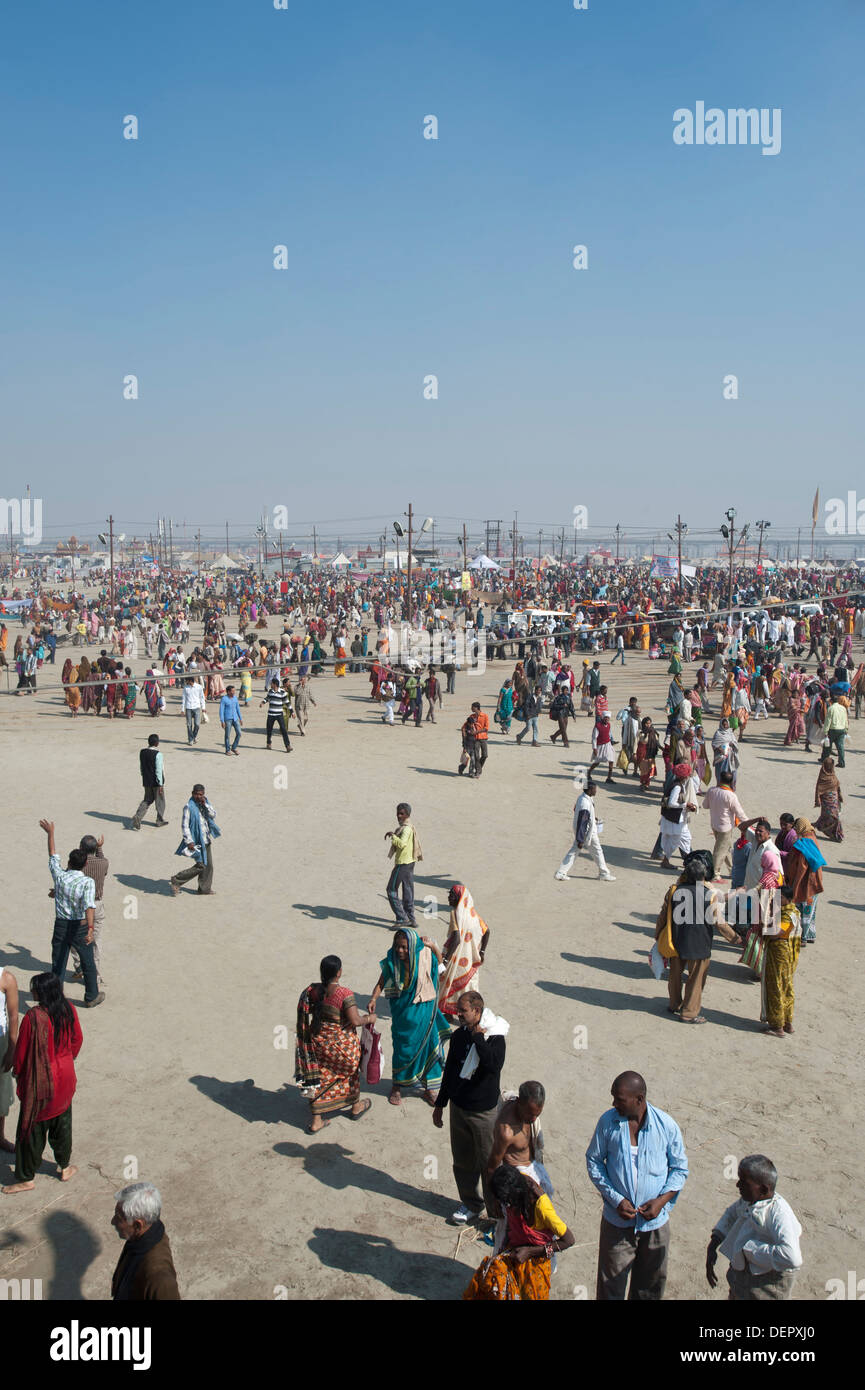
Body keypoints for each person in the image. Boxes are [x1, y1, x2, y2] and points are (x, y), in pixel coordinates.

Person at [586, 1071, 688, 1300]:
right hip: (617, 1224)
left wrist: (661, 1202)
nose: (614, 1104)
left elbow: (680, 1169)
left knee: (649, 1288)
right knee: (610, 1288)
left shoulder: (666, 1126)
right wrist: (616, 1200)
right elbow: (593, 1161)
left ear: (639, 1099)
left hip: (655, 1226)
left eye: (619, 1099)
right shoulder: (608, 1122)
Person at [1, 973, 83, 1195]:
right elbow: (77, 1040)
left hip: (41, 1084)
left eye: (35, 989)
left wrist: (19, 1073)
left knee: (31, 1131)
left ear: (42, 992)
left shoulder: (33, 1018)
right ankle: (65, 1167)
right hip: (65, 1079)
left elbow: (22, 1053)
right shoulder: (68, 1009)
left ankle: (26, 1178)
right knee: (62, 1125)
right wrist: (66, 1059)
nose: (33, 992)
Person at [432, 990, 506, 1224]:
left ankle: (497, 1215)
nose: (458, 1014)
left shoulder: (496, 1036)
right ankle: (471, 1203)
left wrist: (478, 1039)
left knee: (489, 1164)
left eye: (463, 1011)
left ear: (477, 1011)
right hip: (459, 1108)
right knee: (463, 1160)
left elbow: (493, 1066)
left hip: (483, 1112)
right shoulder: (459, 1037)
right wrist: (441, 1104)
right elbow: (451, 1072)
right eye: (458, 1009)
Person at [462, 1166, 574, 1300]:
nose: (505, 1207)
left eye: (506, 1203)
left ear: (515, 1197)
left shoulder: (542, 1207)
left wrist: (530, 1252)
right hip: (514, 1249)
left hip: (537, 1257)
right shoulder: (516, 1180)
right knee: (491, 1279)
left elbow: (569, 1240)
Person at [368, 927, 451, 1107]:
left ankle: (429, 1089)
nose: (400, 951)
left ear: (412, 947)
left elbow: (442, 968)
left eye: (404, 947)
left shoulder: (426, 958)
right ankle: (397, 1087)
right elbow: (381, 982)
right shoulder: (393, 962)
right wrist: (374, 998)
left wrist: (434, 947)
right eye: (398, 946)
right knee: (402, 1051)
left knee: (429, 1048)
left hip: (425, 1015)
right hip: (403, 1019)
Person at [295, 955, 374, 1133]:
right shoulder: (344, 994)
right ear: (339, 973)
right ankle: (355, 1107)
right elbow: (355, 1020)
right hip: (341, 1049)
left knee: (319, 1076)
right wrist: (370, 1018)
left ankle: (316, 1120)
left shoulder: (313, 991)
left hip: (319, 1044)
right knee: (351, 1070)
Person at [706, 1155, 803, 1300]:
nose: (737, 1185)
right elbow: (731, 1214)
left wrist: (751, 1249)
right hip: (741, 1286)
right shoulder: (750, 1201)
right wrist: (713, 1244)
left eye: (743, 1182)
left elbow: (792, 1257)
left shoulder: (779, 1214)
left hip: (766, 1291)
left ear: (763, 1189)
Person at [657, 857, 739, 1023]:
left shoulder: (673, 890)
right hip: (699, 942)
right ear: (703, 877)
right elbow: (719, 922)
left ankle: (674, 1004)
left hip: (676, 939)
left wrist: (658, 935)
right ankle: (689, 1012)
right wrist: (735, 938)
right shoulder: (709, 895)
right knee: (695, 979)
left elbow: (662, 915)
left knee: (674, 975)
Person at [40, 819, 104, 1008]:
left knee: (58, 963)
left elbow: (52, 855)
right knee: (88, 962)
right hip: (80, 926)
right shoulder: (87, 882)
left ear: (69, 862)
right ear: (85, 864)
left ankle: (54, 999)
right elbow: (89, 906)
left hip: (61, 925)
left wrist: (50, 833)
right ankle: (91, 996)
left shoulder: (59, 877)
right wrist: (91, 929)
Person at [111, 1181, 181, 1300]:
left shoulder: (159, 1280)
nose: (113, 1221)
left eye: (118, 1218)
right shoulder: (144, 1235)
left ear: (138, 1225)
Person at [438, 884, 491, 1020]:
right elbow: (487, 931)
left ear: (460, 898)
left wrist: (444, 961)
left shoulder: (456, 914)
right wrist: (482, 952)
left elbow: (456, 939)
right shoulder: (472, 913)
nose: (449, 898)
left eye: (452, 895)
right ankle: (466, 1016)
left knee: (448, 983)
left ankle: (450, 1012)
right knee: (468, 987)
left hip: (456, 957)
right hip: (470, 960)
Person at [69, 834, 109, 991]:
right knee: (96, 941)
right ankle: (96, 974)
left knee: (73, 937)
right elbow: (102, 861)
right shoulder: (103, 863)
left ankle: (79, 966)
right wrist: (100, 848)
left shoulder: (77, 865)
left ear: (81, 848)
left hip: (80, 907)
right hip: (97, 905)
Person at [555, 780, 615, 882]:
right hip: (586, 832)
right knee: (596, 851)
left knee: (577, 851)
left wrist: (592, 817)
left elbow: (578, 811)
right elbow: (582, 822)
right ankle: (604, 873)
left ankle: (561, 872)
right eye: (595, 789)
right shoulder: (585, 803)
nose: (596, 791)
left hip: (584, 831)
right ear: (590, 790)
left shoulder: (583, 798)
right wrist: (580, 838)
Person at [170, 785, 220, 896]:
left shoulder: (205, 804)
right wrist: (189, 841)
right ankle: (177, 880)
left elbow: (213, 815)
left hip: (206, 839)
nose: (199, 796)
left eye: (201, 794)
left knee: (209, 866)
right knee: (201, 865)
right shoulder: (188, 807)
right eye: (197, 794)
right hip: (196, 841)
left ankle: (204, 889)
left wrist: (205, 805)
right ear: (192, 793)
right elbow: (185, 825)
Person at [702, 772, 747, 881]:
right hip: (725, 827)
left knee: (725, 848)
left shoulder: (712, 791)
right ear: (731, 782)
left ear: (720, 779)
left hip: (715, 824)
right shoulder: (730, 795)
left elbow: (705, 805)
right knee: (720, 851)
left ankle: (733, 870)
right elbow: (739, 812)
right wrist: (748, 822)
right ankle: (714, 873)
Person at [384, 802, 420, 925]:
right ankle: (411, 918)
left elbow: (402, 844)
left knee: (391, 890)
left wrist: (393, 836)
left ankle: (401, 918)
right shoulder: (410, 827)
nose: (399, 816)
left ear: (407, 815)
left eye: (402, 814)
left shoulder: (406, 829)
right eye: (398, 813)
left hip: (403, 864)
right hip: (410, 862)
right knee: (408, 890)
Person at [658, 763, 698, 869]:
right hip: (675, 819)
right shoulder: (677, 787)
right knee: (674, 841)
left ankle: (688, 861)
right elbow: (671, 803)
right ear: (684, 776)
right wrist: (686, 805)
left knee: (685, 839)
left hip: (675, 818)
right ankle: (667, 861)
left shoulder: (676, 783)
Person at [0, 964, 20, 1153]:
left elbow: (13, 1016)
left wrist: (12, 1049)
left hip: (1, 1042)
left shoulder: (7, 979)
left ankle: (0, 1137)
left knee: (2, 1092)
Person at [132, 733, 168, 830]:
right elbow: (159, 770)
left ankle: (138, 816)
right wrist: (160, 784)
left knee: (147, 799)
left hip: (146, 780)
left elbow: (141, 766)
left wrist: (143, 776)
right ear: (157, 743)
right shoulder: (158, 754)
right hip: (156, 782)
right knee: (160, 801)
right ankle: (159, 820)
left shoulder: (142, 752)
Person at [814, 757, 843, 841]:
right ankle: (832, 833)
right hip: (826, 802)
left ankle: (836, 835)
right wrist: (817, 800)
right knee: (830, 817)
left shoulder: (833, 774)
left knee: (834, 818)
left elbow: (837, 786)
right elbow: (818, 789)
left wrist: (840, 796)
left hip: (834, 801)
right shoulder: (822, 776)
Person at [261, 677, 292, 751]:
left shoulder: (282, 692)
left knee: (283, 730)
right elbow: (267, 698)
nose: (270, 684)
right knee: (269, 730)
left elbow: (287, 703)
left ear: (275, 684)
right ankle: (269, 743)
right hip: (271, 714)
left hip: (279, 714)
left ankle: (288, 746)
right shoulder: (270, 691)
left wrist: (292, 712)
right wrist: (263, 702)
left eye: (271, 683)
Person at [824, 693, 848, 767]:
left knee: (828, 747)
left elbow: (828, 720)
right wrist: (846, 728)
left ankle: (827, 762)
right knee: (840, 747)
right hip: (841, 729)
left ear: (831, 701)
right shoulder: (843, 708)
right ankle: (842, 763)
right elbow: (845, 719)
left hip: (832, 729)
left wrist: (825, 731)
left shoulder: (830, 708)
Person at [549, 684, 576, 748]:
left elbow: (571, 707)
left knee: (563, 729)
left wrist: (573, 715)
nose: (566, 691)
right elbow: (554, 706)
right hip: (560, 714)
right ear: (562, 691)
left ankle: (553, 736)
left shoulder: (569, 697)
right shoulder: (558, 697)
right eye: (565, 690)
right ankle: (566, 742)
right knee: (563, 729)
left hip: (566, 714)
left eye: (567, 690)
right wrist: (562, 706)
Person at [181, 676, 205, 745]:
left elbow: (202, 698)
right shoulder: (186, 688)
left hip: (197, 707)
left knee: (197, 724)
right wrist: (182, 709)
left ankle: (193, 737)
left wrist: (203, 707)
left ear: (190, 680)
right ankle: (190, 739)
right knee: (189, 725)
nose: (186, 682)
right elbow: (184, 699)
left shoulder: (199, 687)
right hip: (188, 707)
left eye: (187, 681)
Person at [219, 684, 243, 755]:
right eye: (232, 691)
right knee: (227, 735)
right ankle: (227, 750)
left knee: (239, 733)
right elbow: (221, 711)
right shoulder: (224, 699)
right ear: (228, 692)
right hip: (227, 719)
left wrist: (240, 718)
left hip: (235, 719)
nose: (234, 692)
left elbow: (238, 708)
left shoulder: (235, 698)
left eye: (234, 690)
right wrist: (222, 721)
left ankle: (234, 747)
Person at [469, 701, 489, 777]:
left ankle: (478, 768)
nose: (471, 708)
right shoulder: (471, 716)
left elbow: (486, 728)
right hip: (475, 739)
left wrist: (476, 731)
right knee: (476, 755)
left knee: (485, 755)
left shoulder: (485, 716)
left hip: (483, 738)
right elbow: (469, 726)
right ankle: (478, 771)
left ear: (476, 708)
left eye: (472, 707)